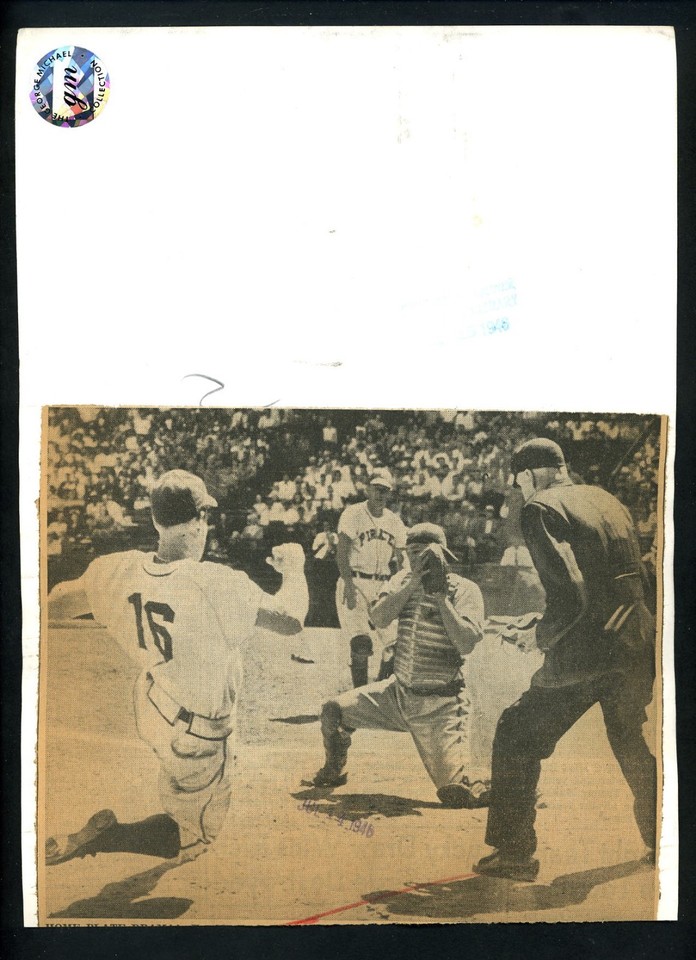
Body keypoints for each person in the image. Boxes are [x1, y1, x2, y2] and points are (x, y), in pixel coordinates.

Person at [45, 469, 309, 867]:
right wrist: (294, 567)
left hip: (151, 703)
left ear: (155, 519)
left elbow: (57, 601)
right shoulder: (216, 581)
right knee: (195, 839)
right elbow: (291, 619)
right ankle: (113, 835)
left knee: (178, 758)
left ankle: (177, 786)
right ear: (200, 520)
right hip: (197, 729)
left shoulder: (118, 567)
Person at [473, 439, 657, 882]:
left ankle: (515, 854)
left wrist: (540, 635)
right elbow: (622, 581)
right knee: (629, 739)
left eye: (519, 483)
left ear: (530, 474)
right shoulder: (608, 500)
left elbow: (571, 590)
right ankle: (663, 837)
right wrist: (542, 621)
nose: (519, 492)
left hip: (588, 650)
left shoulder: (539, 507)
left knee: (516, 732)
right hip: (635, 641)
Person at [309, 524, 489, 808]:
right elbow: (379, 618)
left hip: (440, 705)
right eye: (412, 554)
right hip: (397, 694)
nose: (418, 561)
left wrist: (441, 599)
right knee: (333, 710)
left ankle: (508, 784)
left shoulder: (465, 590)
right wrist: (413, 583)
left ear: (444, 555)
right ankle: (335, 769)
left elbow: (466, 643)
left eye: (426, 555)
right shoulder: (401, 581)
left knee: (456, 793)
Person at [335, 469, 407, 687]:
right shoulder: (353, 514)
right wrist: (347, 582)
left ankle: (378, 690)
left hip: (383, 584)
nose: (380, 495)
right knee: (361, 643)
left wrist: (400, 588)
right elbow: (342, 551)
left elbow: (402, 559)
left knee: (396, 645)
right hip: (355, 581)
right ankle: (359, 695)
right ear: (367, 489)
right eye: (377, 489)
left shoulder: (394, 521)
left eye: (385, 491)